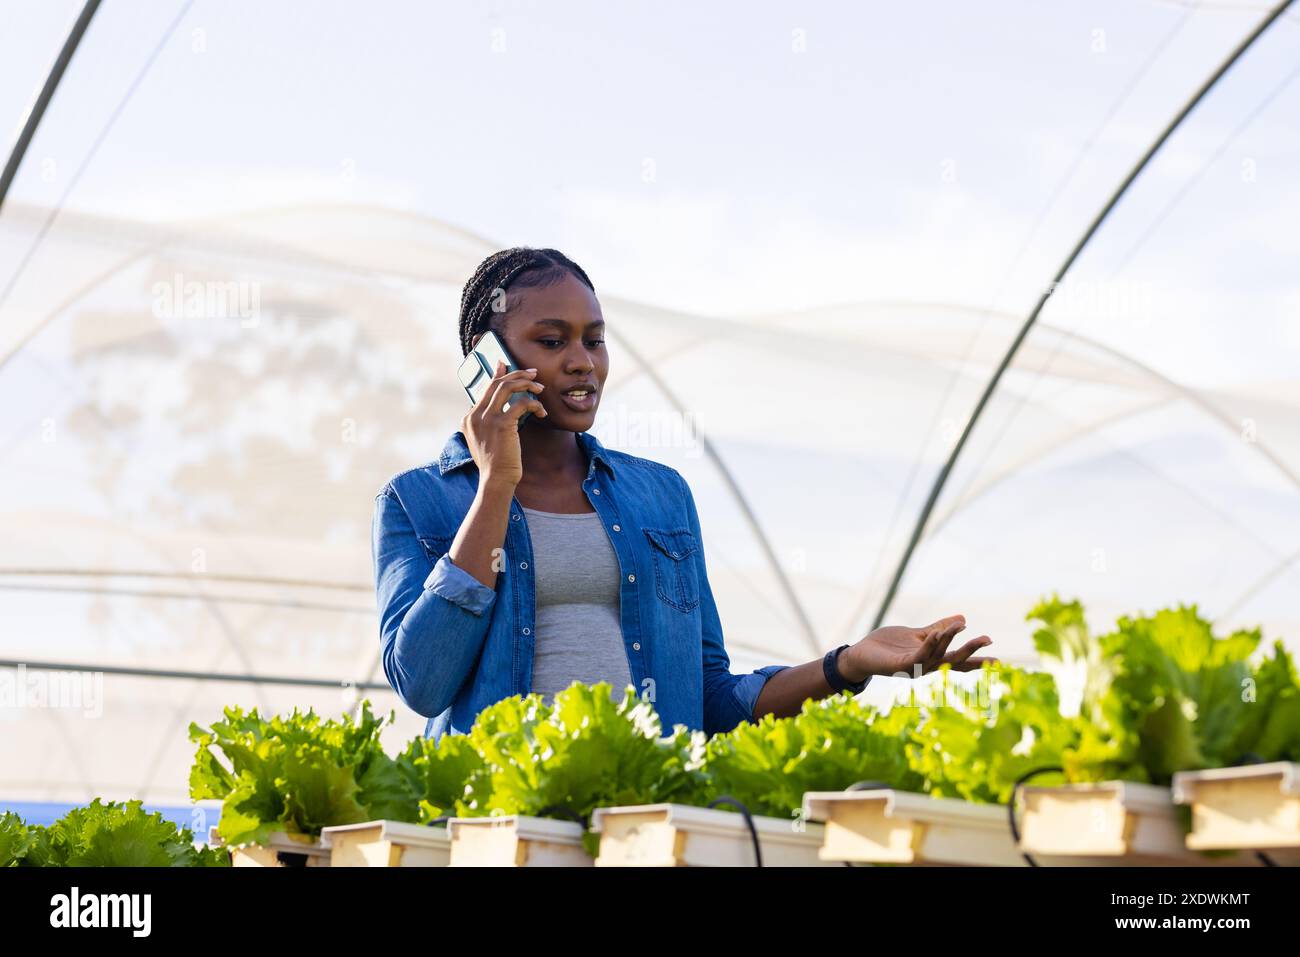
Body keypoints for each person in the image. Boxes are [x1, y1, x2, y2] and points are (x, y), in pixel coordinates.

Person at [372, 247, 995, 743]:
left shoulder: (660, 497)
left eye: (594, 338)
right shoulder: (419, 501)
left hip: (642, 820)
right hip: (498, 827)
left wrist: (846, 665)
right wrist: (496, 488)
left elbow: (710, 699)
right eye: (553, 340)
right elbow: (423, 684)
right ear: (487, 360)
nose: (583, 362)